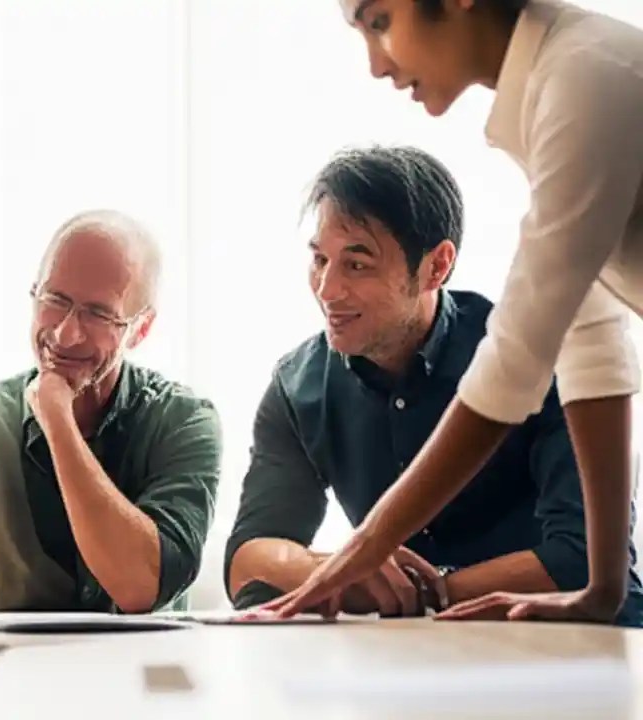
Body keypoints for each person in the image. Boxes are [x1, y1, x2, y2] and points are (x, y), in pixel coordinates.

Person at [267, 0, 643, 624]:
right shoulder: (557, 85)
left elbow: (517, 359)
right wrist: (601, 591)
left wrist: (364, 548)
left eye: (380, 22)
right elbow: (590, 336)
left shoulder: (584, 77)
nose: (375, 65)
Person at [0, 210, 221, 613]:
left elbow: (140, 586)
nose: (65, 333)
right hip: (20, 655)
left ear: (140, 329)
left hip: (145, 653)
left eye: (98, 313)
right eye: (55, 300)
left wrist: (57, 420)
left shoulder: (183, 422)